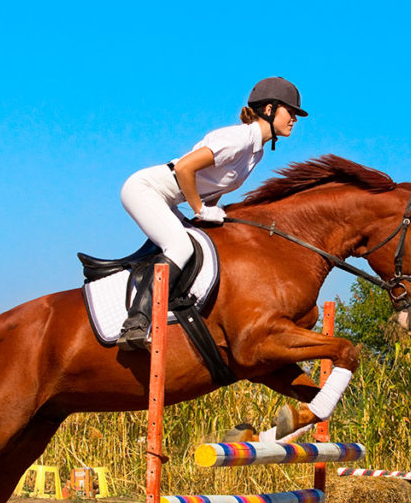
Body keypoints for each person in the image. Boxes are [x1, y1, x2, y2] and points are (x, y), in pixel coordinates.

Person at [116, 77, 307, 351]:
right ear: (269, 109)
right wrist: (199, 210)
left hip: (170, 199)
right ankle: (135, 323)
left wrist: (207, 213)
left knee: (201, 245)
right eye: (291, 112)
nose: (294, 120)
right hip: (146, 189)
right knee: (180, 246)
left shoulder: (257, 152)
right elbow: (184, 168)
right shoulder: (239, 138)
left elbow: (214, 187)